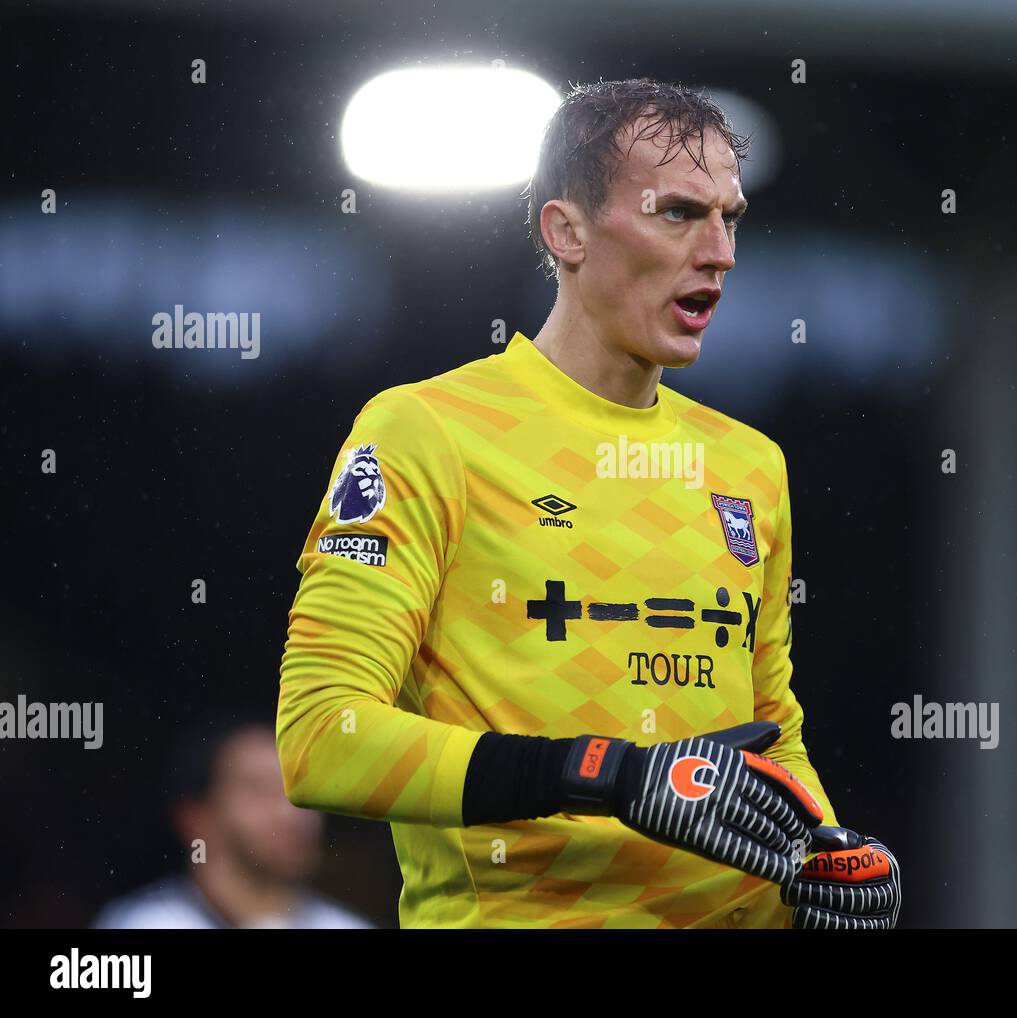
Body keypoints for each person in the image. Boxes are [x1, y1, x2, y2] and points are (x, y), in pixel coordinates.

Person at [277, 77, 899, 929]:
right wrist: (607, 773)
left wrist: (832, 857)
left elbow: (771, 735)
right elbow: (324, 739)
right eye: (678, 213)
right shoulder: (427, 431)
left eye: (731, 218)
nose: (719, 251)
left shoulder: (749, 465)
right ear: (564, 232)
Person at [93, 721, 371, 929]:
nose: (293, 814)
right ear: (195, 817)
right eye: (259, 790)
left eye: (300, 791)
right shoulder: (143, 926)